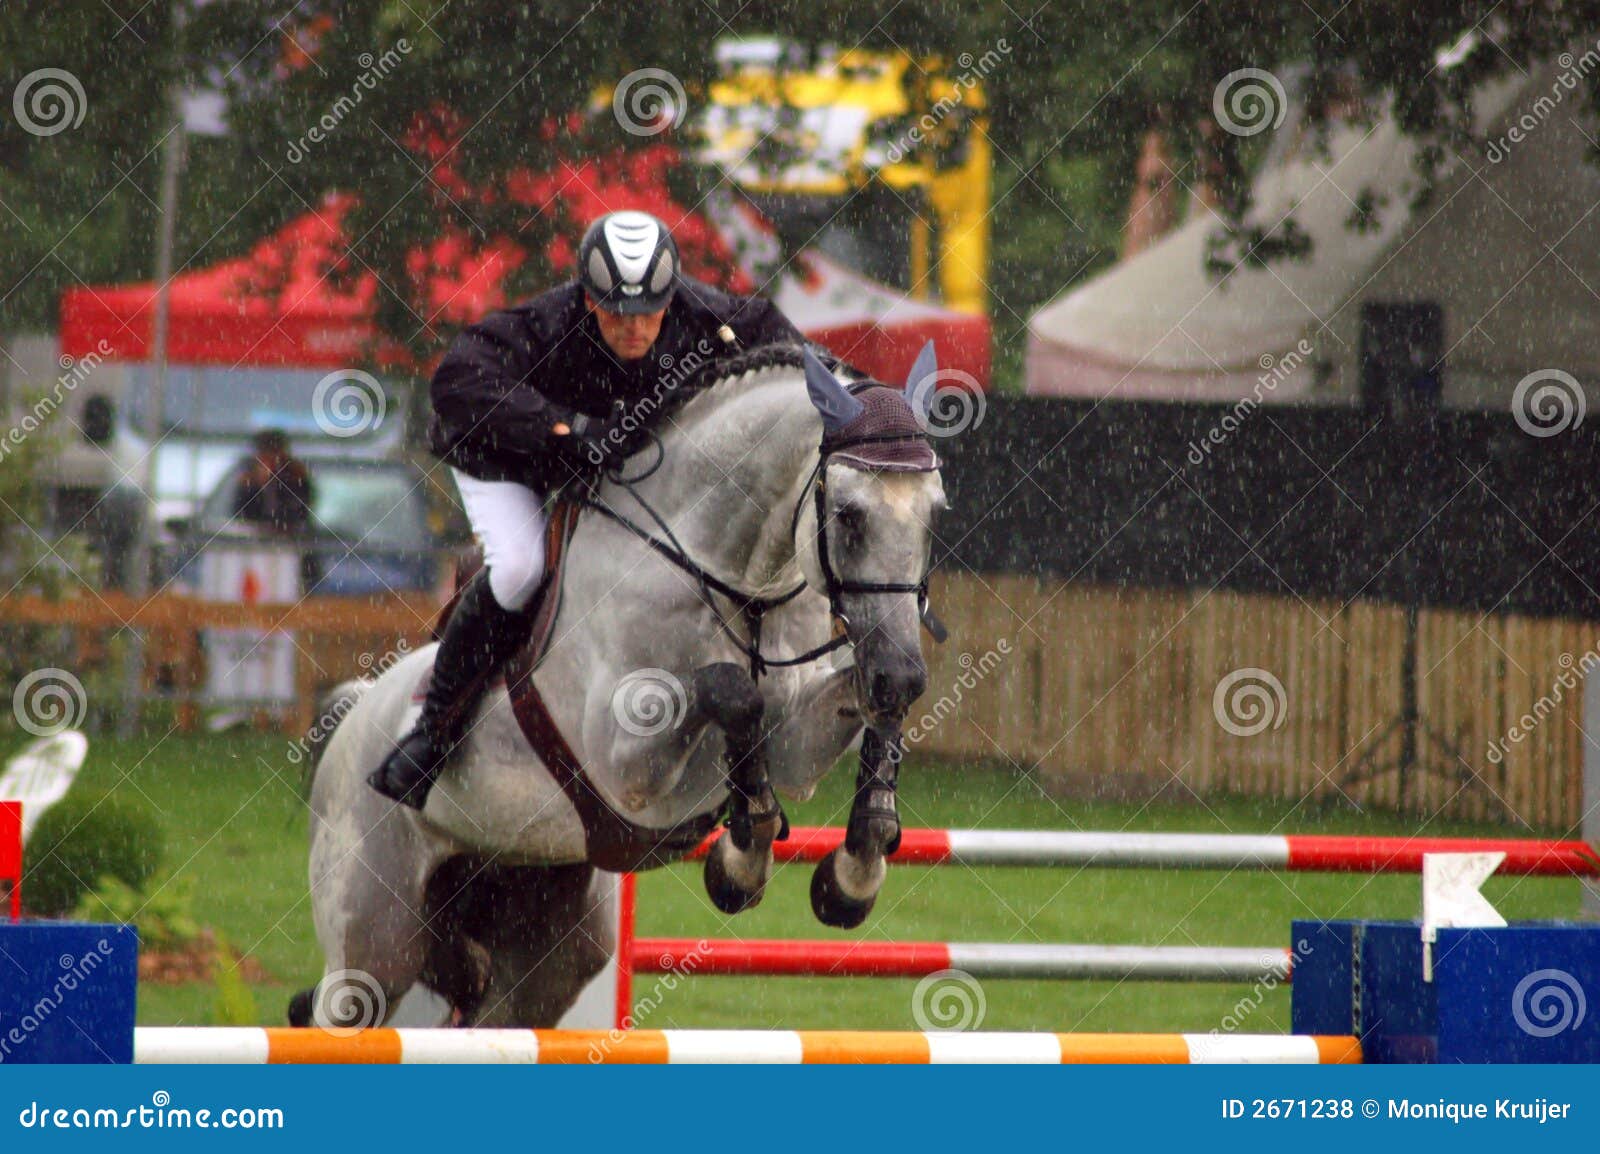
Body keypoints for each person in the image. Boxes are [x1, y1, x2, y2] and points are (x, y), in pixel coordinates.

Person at [368, 210, 805, 809]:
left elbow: (796, 360)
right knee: (521, 568)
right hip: (509, 463)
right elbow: (456, 380)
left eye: (648, 311)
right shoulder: (544, 322)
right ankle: (432, 734)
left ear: (672, 295)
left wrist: (859, 400)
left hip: (608, 469)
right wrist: (564, 429)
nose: (632, 327)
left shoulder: (711, 318)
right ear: (587, 296)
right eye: (615, 312)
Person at [232, 430, 314, 537]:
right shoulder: (248, 478)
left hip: (289, 542)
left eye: (276, 454)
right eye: (266, 455)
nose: (272, 462)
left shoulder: (296, 476)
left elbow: (300, 513)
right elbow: (242, 515)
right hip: (252, 541)